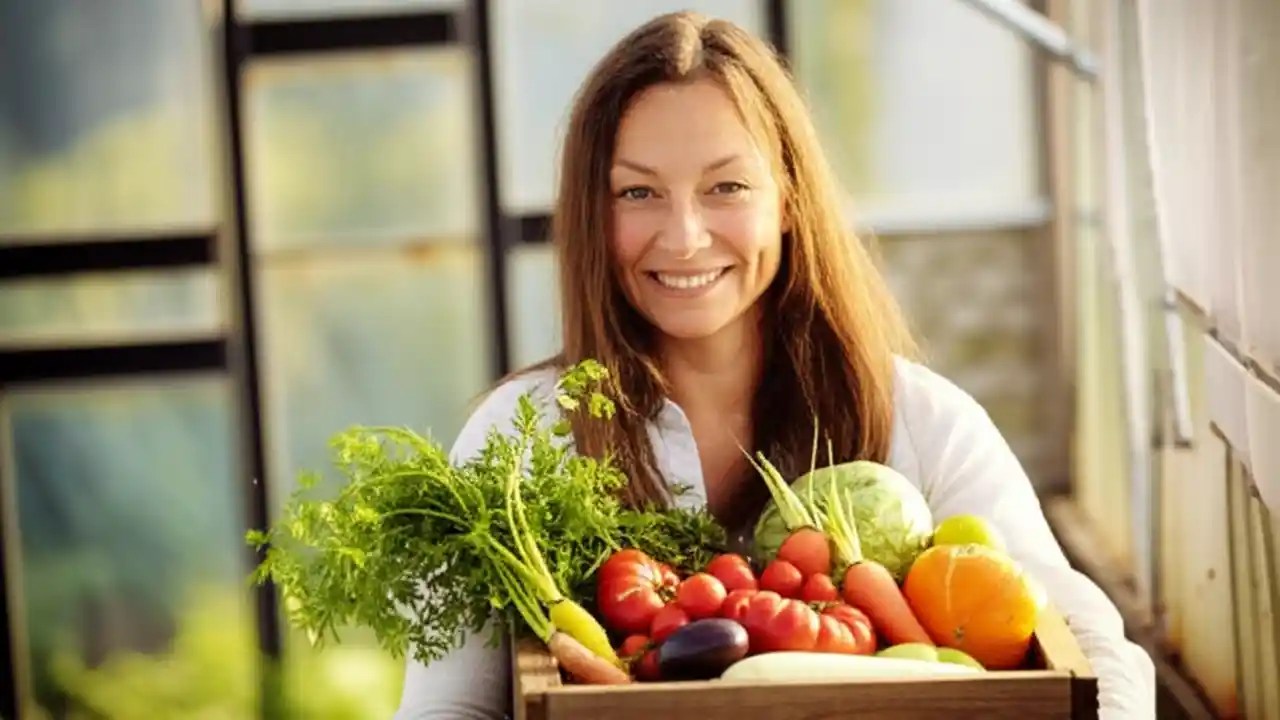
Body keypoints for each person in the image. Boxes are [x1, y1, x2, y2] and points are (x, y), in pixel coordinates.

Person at [394, 10, 1155, 719]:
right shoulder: (518, 441)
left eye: (726, 187)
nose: (685, 236)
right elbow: (448, 707)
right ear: (595, 213)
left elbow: (1101, 658)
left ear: (787, 197)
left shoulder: (921, 422)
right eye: (638, 192)